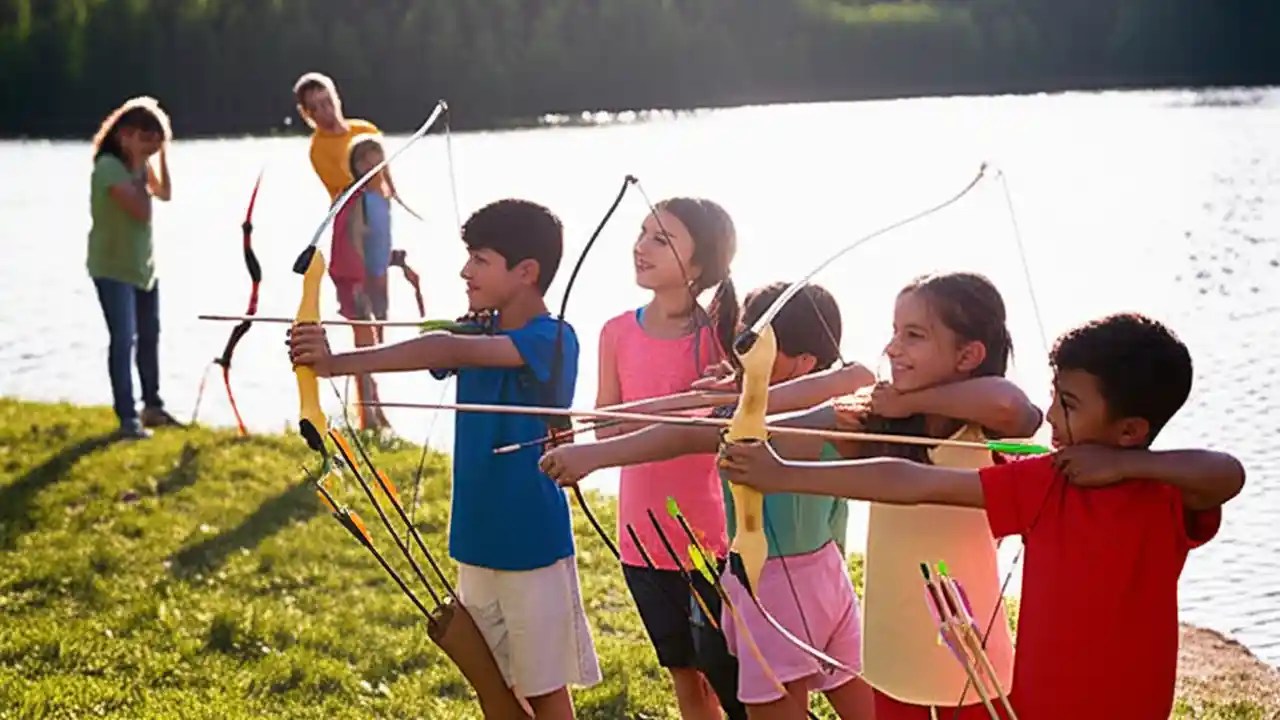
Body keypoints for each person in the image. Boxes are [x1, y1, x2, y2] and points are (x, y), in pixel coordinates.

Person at [721, 311, 1247, 720]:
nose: (1051, 417)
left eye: (1068, 403)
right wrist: (782, 473)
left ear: (1130, 430)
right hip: (1040, 705)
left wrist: (1126, 465)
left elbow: (1229, 472)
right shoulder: (1051, 481)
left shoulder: (1165, 492)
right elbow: (912, 482)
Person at [289, 199, 601, 719]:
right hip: (475, 541)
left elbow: (441, 351)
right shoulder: (477, 331)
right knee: (494, 685)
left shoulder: (553, 339)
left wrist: (337, 362)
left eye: (480, 260)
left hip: (530, 544)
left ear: (527, 272)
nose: (465, 271)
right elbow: (435, 350)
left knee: (543, 690)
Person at [542, 281, 877, 719]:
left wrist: (594, 455)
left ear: (804, 362)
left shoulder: (796, 412)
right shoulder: (837, 407)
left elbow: (684, 435)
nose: (740, 356)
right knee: (857, 696)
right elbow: (854, 376)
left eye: (755, 347)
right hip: (826, 580)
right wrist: (742, 394)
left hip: (771, 585)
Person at [591, 197, 745, 719]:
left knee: (726, 665)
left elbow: (735, 425)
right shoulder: (615, 331)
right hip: (639, 531)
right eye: (642, 233)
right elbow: (605, 424)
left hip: (710, 533)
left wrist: (721, 390)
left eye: (662, 238)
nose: (642, 246)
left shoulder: (719, 339)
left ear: (698, 265)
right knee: (682, 666)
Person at [292, 71, 418, 430]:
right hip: (351, 239)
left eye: (327, 102)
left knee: (380, 324)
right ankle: (369, 414)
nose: (325, 112)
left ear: (337, 97)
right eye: (314, 108)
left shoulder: (365, 129)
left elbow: (384, 186)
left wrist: (391, 248)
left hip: (378, 236)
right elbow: (354, 188)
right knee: (362, 328)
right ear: (306, 114)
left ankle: (374, 409)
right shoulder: (318, 149)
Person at [86, 96, 182, 440]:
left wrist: (160, 157)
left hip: (143, 268)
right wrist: (142, 164)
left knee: (150, 338)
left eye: (157, 141)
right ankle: (127, 417)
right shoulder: (109, 167)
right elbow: (142, 210)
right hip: (112, 268)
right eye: (146, 139)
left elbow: (166, 193)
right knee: (123, 339)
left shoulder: (140, 165)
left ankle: (152, 406)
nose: (151, 148)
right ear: (125, 135)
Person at [329, 135, 397, 428]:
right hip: (360, 281)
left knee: (375, 348)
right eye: (363, 160)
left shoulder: (382, 197)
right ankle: (366, 415)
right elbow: (356, 239)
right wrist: (358, 283)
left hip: (379, 278)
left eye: (375, 156)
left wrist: (397, 262)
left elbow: (379, 242)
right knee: (364, 348)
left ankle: (376, 411)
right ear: (354, 167)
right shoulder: (358, 200)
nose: (370, 164)